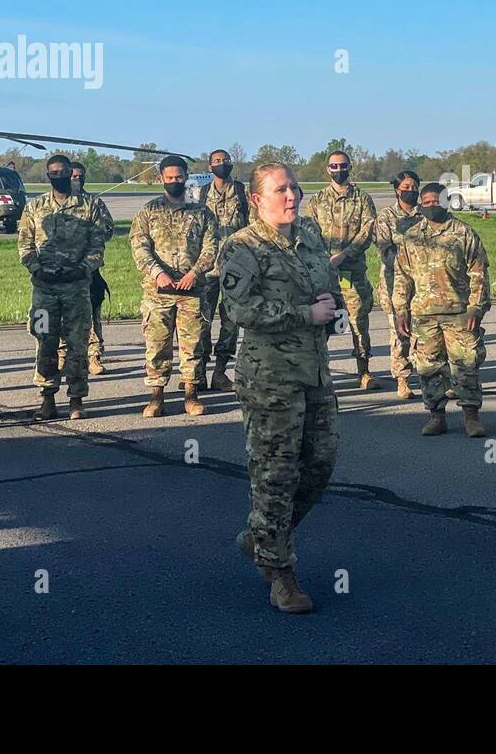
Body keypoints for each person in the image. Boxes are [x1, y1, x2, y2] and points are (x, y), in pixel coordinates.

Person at [221, 163, 340, 614]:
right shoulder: (243, 247)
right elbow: (241, 310)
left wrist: (331, 305)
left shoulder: (309, 235)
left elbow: (325, 287)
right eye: (280, 190)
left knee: (321, 465)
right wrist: (303, 314)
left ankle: (260, 536)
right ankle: (280, 574)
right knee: (276, 476)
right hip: (270, 379)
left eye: (294, 187)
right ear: (257, 199)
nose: (291, 196)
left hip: (315, 372)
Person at [392, 183, 492, 438]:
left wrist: (476, 307)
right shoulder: (411, 236)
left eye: (435, 201)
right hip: (424, 315)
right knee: (428, 368)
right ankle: (436, 416)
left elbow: (478, 273)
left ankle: (472, 416)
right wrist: (401, 310)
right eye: (425, 202)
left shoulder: (463, 233)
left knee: (466, 366)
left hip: (459, 313)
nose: (430, 206)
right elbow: (402, 276)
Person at [18, 154, 107, 421]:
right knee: (44, 342)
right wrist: (38, 270)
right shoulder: (35, 207)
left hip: (77, 288)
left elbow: (98, 245)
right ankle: (47, 398)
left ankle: (76, 399)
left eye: (63, 171)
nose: (58, 175)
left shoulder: (90, 206)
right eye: (52, 172)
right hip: (43, 291)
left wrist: (82, 269)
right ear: (47, 175)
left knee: (77, 344)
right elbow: (24, 246)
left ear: (72, 173)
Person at [130, 155, 220, 418]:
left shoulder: (202, 213)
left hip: (191, 291)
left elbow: (211, 246)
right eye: (169, 178)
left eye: (178, 177)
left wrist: (195, 272)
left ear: (186, 177)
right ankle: (156, 397)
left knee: (192, 347)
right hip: (158, 292)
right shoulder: (148, 211)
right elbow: (139, 246)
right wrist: (157, 273)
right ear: (161, 179)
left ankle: (191, 395)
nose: (174, 182)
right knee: (157, 345)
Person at [303, 150, 379, 390]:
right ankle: (319, 372)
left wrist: (344, 255)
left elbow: (367, 232)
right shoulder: (317, 202)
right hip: (324, 275)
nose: (338, 170)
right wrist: (324, 260)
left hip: (350, 273)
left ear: (350, 167)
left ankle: (364, 370)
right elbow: (309, 233)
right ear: (327, 169)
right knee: (323, 321)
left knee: (357, 320)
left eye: (342, 165)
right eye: (334, 166)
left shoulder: (362, 200)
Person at [58, 164, 115, 376]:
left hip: (88, 269)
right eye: (73, 176)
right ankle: (61, 356)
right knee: (59, 315)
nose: (76, 179)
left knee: (92, 314)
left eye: (80, 176)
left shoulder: (94, 203)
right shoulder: (54, 204)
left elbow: (107, 230)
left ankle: (94, 356)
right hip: (61, 269)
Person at [200, 149, 249, 391]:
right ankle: (197, 372)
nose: (222, 164)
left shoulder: (242, 192)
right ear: (210, 167)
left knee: (231, 321)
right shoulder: (200, 193)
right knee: (201, 321)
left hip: (235, 267)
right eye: (217, 161)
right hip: (206, 268)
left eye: (225, 160)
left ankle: (220, 372)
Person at [374, 170, 423, 399]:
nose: (410, 191)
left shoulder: (424, 215)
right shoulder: (386, 217)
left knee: (424, 331)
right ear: (396, 190)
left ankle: (430, 374)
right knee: (399, 331)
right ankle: (402, 379)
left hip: (423, 282)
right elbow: (384, 246)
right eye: (406, 187)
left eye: (414, 187)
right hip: (394, 282)